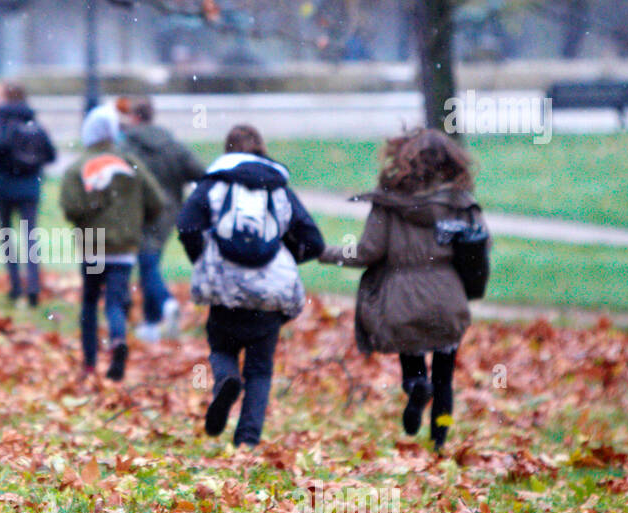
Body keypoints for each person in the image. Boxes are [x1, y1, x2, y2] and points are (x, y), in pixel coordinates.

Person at [318, 128, 485, 450]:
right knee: (445, 378)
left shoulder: (389, 204)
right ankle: (439, 440)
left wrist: (322, 252)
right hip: (446, 295)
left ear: (405, 159)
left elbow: (366, 252)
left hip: (401, 298)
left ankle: (415, 386)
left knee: (412, 357)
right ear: (452, 161)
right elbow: (481, 246)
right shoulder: (462, 205)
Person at [177, 125, 324, 447]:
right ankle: (247, 439)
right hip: (268, 297)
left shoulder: (214, 184)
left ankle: (227, 380)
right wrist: (280, 258)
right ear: (261, 149)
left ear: (229, 150)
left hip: (225, 289)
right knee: (260, 370)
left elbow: (186, 224)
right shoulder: (279, 188)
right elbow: (314, 241)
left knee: (221, 347)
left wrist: (204, 257)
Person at [59, 103, 165, 382]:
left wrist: (88, 215)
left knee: (90, 301)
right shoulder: (131, 164)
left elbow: (71, 208)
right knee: (115, 302)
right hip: (124, 249)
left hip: (92, 246)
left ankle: (90, 362)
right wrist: (136, 221)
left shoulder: (78, 169)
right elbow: (157, 201)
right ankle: (118, 341)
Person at [119, 95, 205, 342]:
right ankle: (151, 323)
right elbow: (199, 173)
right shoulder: (172, 145)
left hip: (138, 213)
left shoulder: (128, 147)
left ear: (135, 117)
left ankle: (164, 305)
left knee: (147, 263)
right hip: (168, 214)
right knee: (150, 262)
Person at [0, 80, 56, 307]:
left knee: (7, 235)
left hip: (4, 185)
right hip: (30, 187)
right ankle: (33, 286)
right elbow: (50, 154)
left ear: (5, 96)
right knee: (30, 236)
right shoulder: (30, 117)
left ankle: (15, 285)